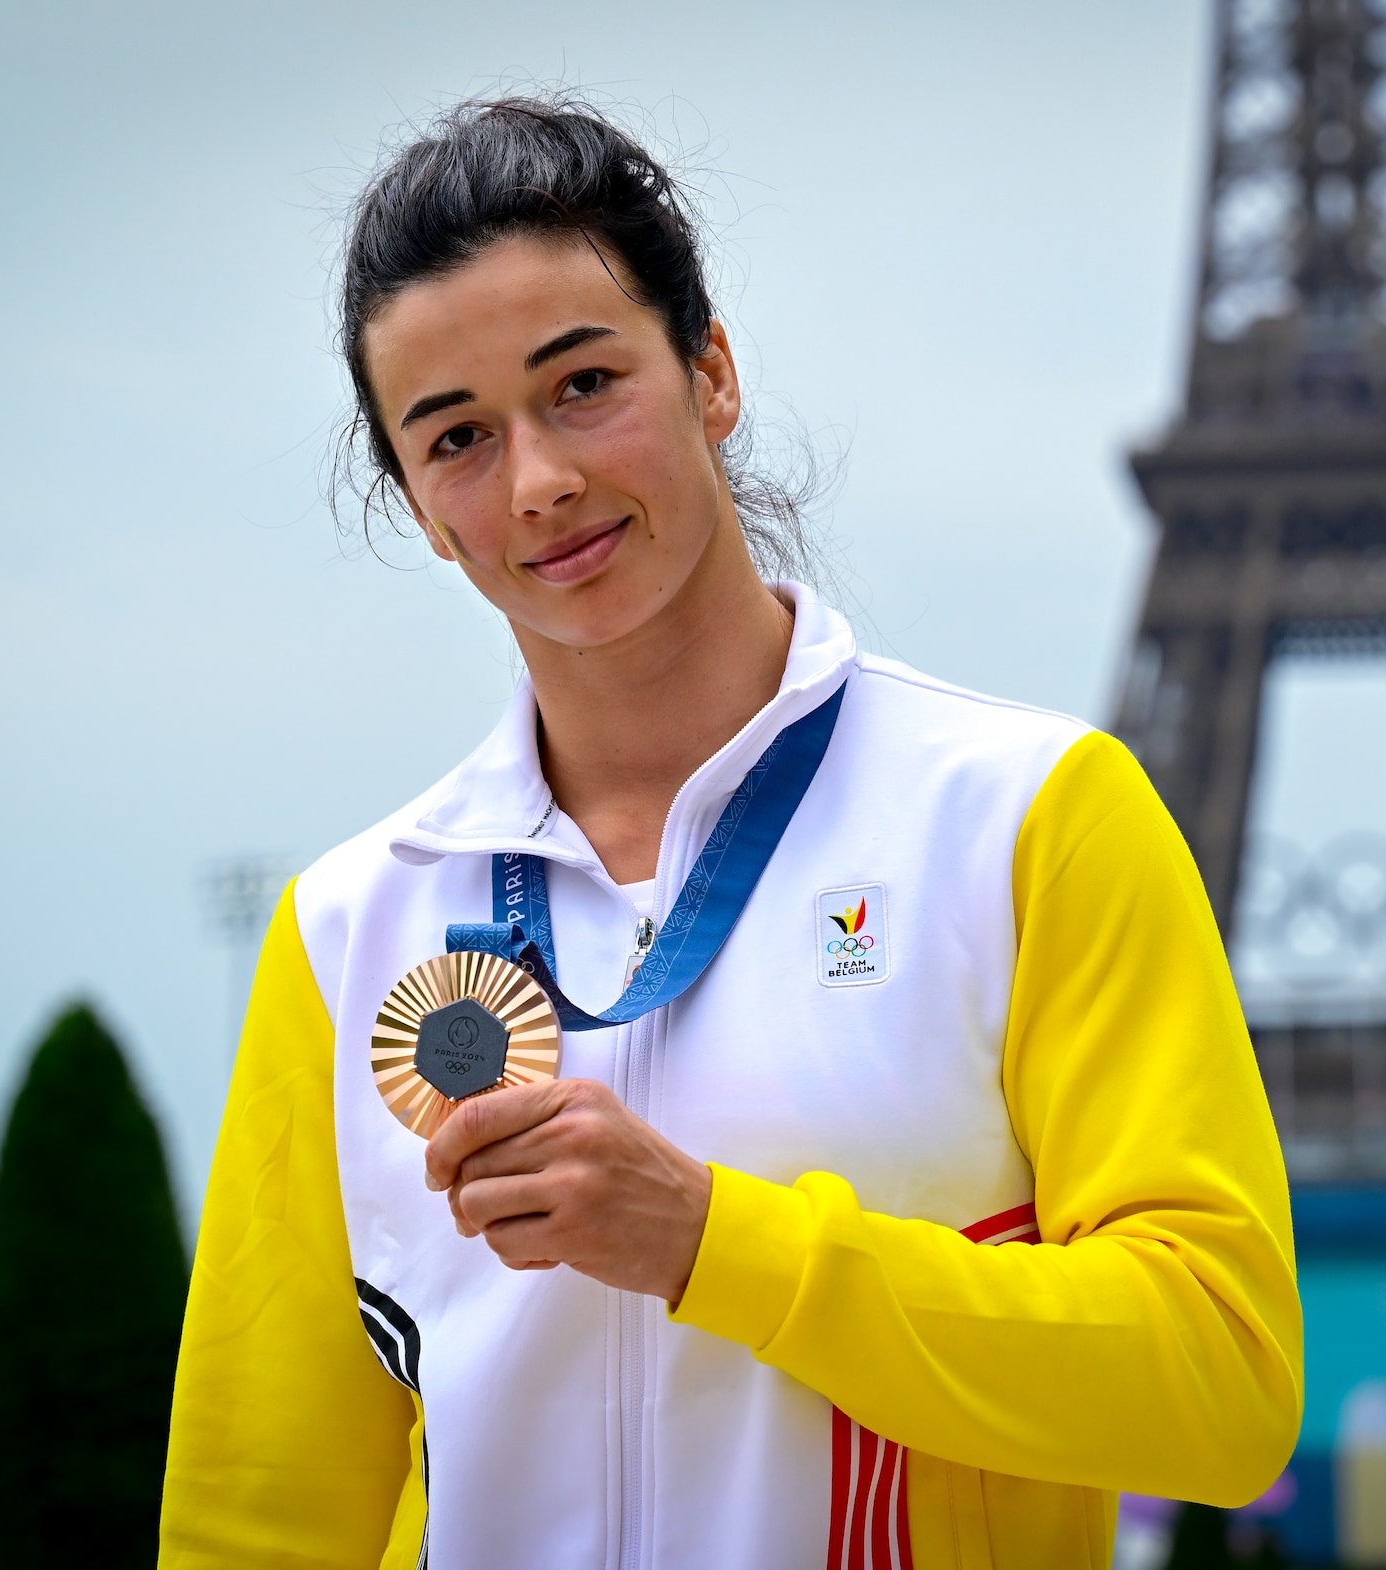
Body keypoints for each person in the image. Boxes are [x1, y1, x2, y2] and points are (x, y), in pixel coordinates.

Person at [159, 97, 1302, 1570]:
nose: (540, 481)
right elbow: (259, 1510)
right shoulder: (344, 929)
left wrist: (716, 1243)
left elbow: (1223, 1385)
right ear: (421, 510)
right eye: (457, 438)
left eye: (583, 384)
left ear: (711, 372)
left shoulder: (1025, 817)